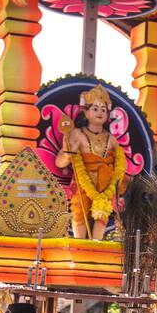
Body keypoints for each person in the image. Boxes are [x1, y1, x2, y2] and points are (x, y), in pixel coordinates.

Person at [54, 82, 127, 241]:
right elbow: (59, 162)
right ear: (86, 112)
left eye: (103, 109)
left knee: (101, 216)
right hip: (82, 186)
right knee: (79, 213)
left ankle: (96, 246)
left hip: (104, 187)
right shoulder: (76, 134)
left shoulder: (112, 139)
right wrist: (68, 154)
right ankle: (80, 247)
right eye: (95, 108)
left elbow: (121, 165)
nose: (100, 112)